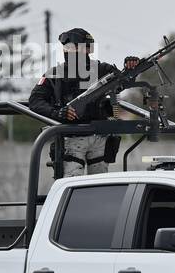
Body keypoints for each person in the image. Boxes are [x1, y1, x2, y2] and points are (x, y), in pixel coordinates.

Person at [28, 28, 131, 176]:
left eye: (72, 47)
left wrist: (130, 67)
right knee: (72, 185)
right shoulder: (54, 74)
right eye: (66, 47)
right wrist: (57, 113)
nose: (67, 51)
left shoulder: (102, 69)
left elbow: (124, 81)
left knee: (102, 186)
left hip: (99, 137)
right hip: (71, 136)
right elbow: (35, 101)